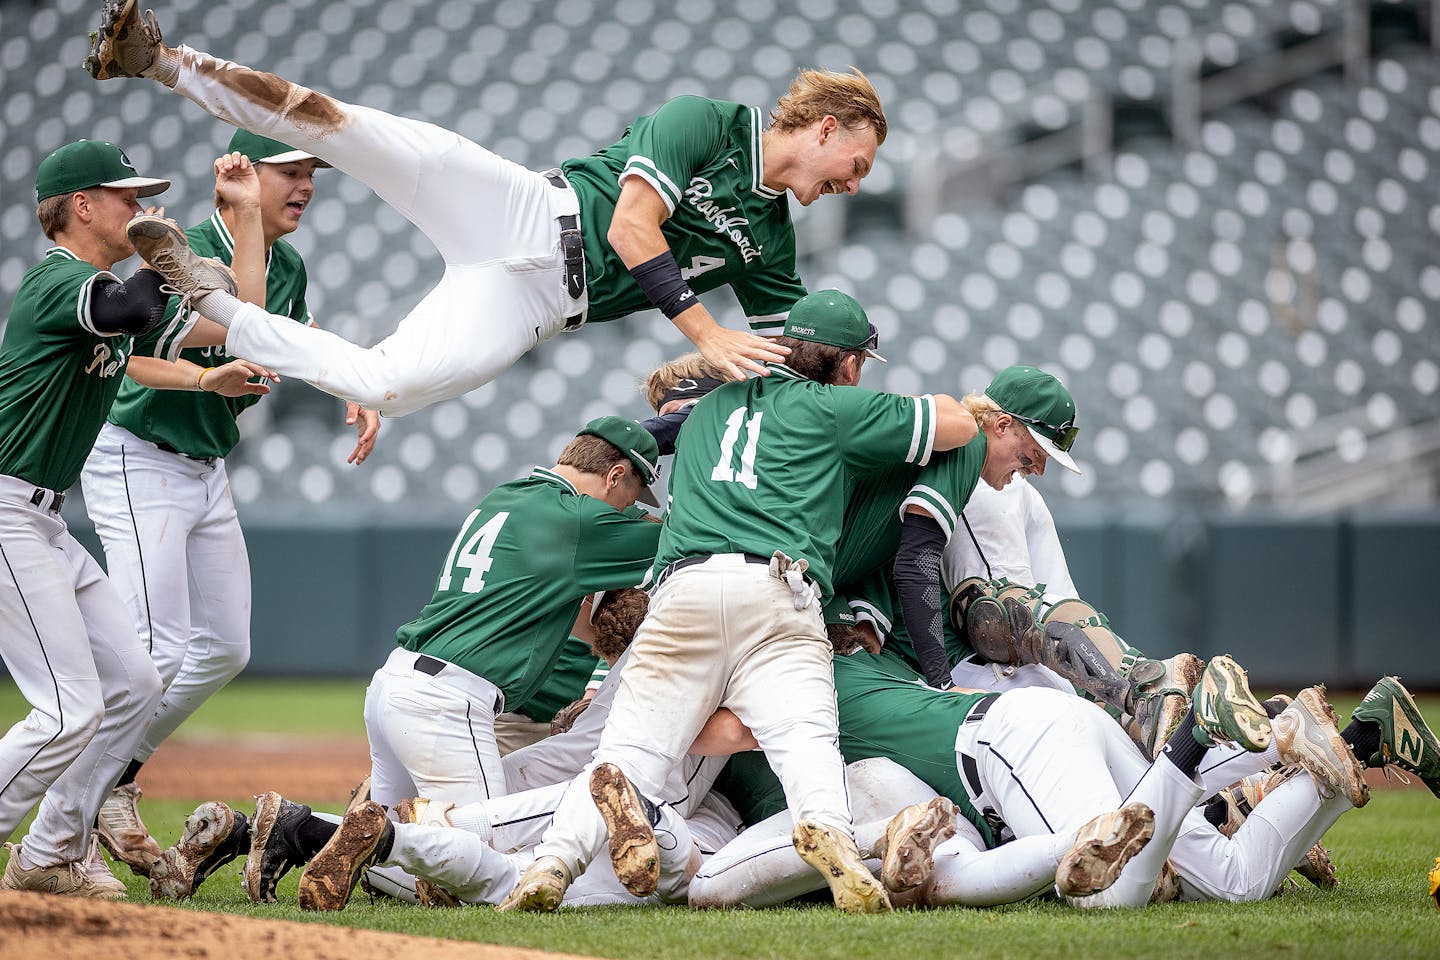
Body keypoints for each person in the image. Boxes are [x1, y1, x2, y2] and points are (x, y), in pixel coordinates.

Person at [86, 0, 887, 415]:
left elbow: (798, 355)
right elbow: (630, 226)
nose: (854, 183)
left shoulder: (776, 240)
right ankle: (159, 58)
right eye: (856, 163)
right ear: (825, 127)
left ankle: (206, 292)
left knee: (385, 389)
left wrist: (857, 410)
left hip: (537, 303)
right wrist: (707, 334)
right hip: (526, 210)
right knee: (342, 127)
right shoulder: (705, 122)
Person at [498, 289, 975, 914]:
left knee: (628, 752)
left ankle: (553, 862)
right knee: (805, 737)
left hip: (682, 590)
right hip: (776, 586)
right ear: (850, 363)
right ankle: (831, 836)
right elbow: (960, 424)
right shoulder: (832, 406)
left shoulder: (703, 414)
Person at [79, 131, 380, 875]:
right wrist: (207, 379)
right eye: (291, 171)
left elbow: (289, 339)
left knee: (223, 646)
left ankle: (111, 776)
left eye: (312, 172)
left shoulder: (290, 265)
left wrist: (356, 386)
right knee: (155, 650)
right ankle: (72, 811)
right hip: (136, 451)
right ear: (241, 177)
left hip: (204, 465)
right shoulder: (182, 251)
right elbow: (131, 363)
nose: (306, 184)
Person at [0, 139, 252, 898]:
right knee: (68, 709)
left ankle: (49, 852)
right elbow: (136, 307)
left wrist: (211, 370)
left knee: (136, 682)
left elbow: (183, 326)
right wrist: (162, 257)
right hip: (6, 507)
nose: (140, 209)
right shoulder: (57, 281)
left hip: (43, 520)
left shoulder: (103, 289)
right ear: (80, 205)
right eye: (125, 197)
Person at [363, 416, 665, 812]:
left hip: (393, 681)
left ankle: (302, 827)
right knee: (484, 852)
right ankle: (298, 825)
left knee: (387, 842)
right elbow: (687, 537)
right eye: (631, 496)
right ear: (615, 475)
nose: (628, 507)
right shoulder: (576, 520)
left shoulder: (503, 495)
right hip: (449, 699)